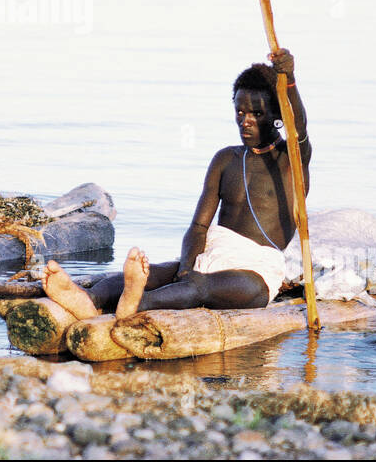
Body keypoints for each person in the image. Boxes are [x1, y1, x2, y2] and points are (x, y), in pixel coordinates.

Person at [41, 48, 310, 320]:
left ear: (277, 115)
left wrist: (288, 77)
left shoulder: (291, 160)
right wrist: (185, 267)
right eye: (240, 113)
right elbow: (199, 227)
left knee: (197, 287)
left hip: (254, 273)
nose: (246, 122)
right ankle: (88, 298)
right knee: (156, 273)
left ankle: (138, 304)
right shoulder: (225, 159)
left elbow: (299, 128)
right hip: (212, 253)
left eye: (256, 114)